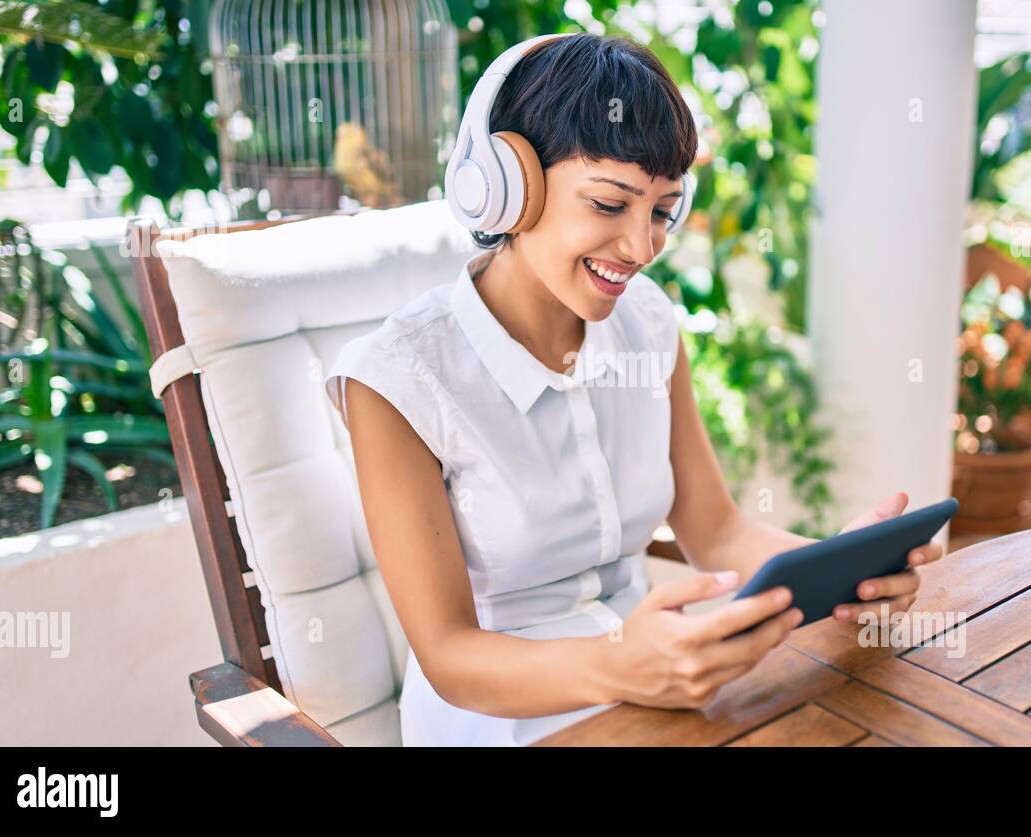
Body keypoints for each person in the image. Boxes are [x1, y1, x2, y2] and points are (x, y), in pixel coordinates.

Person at [323, 33, 945, 746]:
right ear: (507, 184)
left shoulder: (647, 323)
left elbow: (718, 532)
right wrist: (623, 665)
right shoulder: (396, 380)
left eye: (661, 211)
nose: (641, 248)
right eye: (610, 204)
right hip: (507, 719)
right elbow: (450, 656)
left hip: (664, 691)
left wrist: (843, 570)